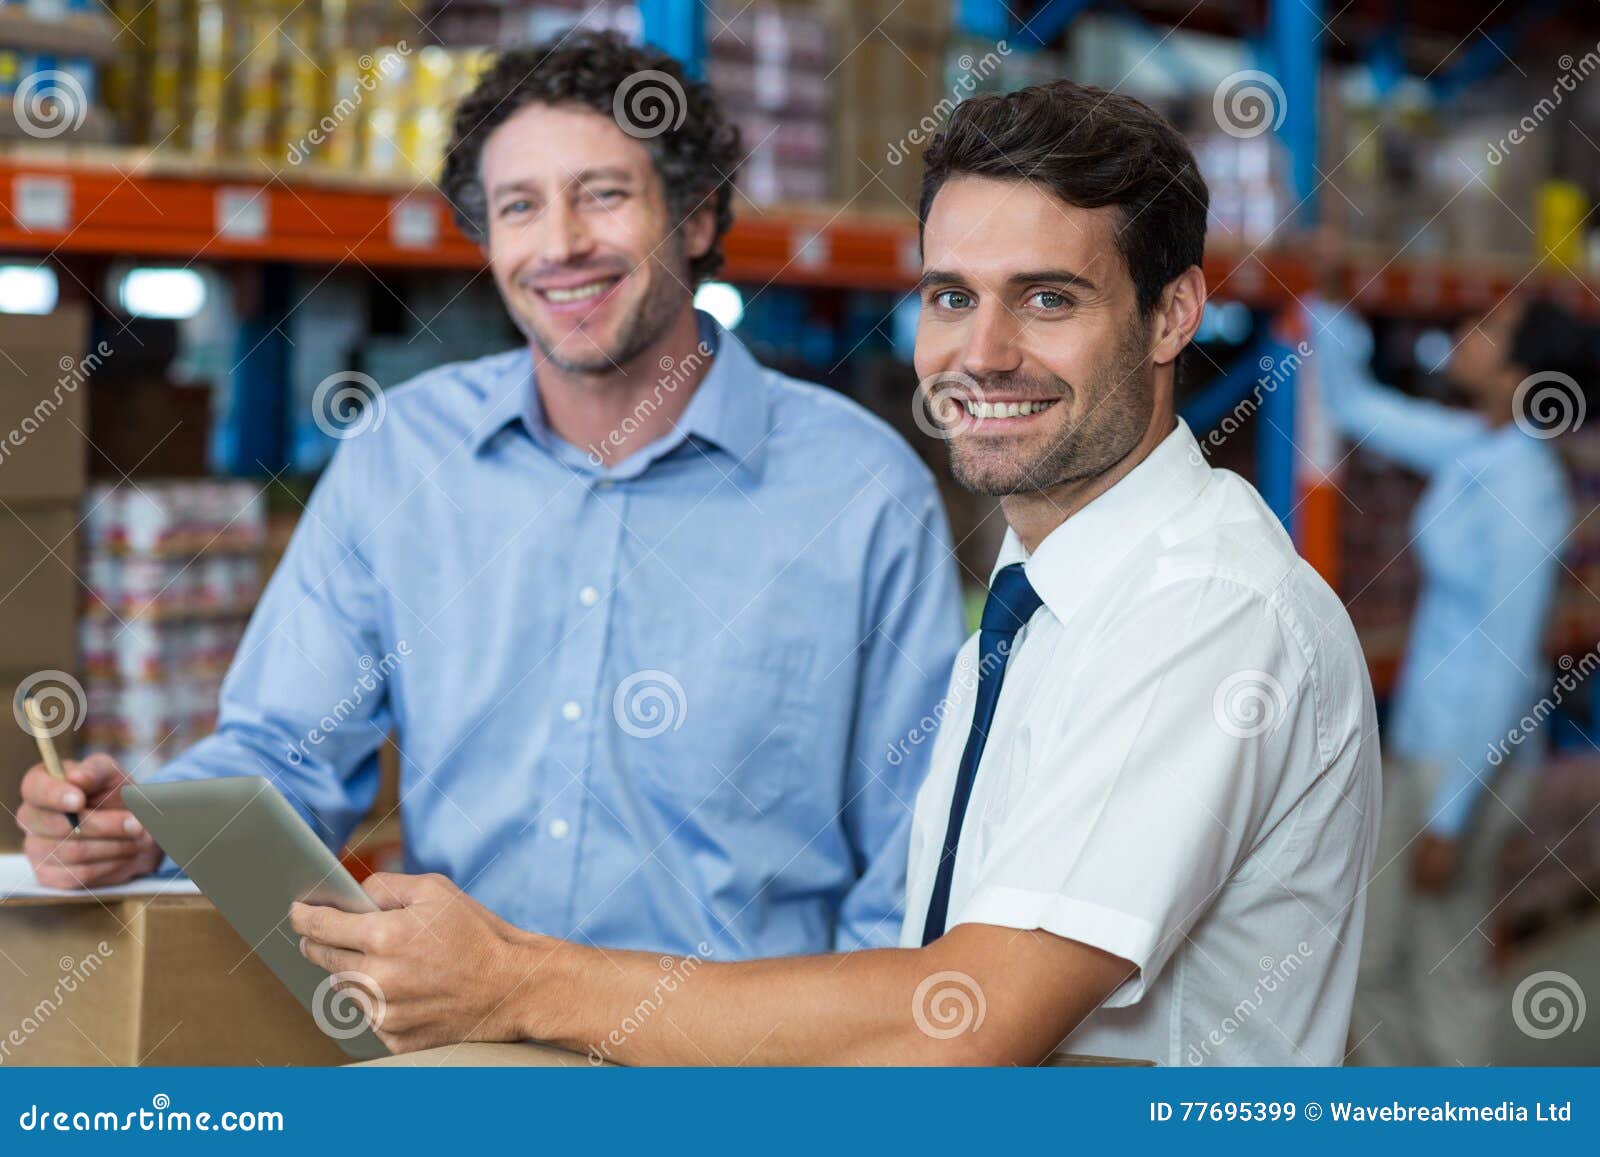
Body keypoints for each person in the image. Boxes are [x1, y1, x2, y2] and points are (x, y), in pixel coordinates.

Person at [290, 78, 1381, 1066]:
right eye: (951, 296)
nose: (983, 352)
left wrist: (519, 980)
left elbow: (967, 1013)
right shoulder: (1044, 596)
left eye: (1048, 298)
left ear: (1172, 313)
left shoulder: (1201, 611)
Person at [15, 32, 966, 961]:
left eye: (603, 196)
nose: (560, 244)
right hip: (460, 1059)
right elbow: (286, 752)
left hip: (733, 1083)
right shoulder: (401, 457)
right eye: (519, 207)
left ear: (700, 217)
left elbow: (906, 867)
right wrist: (145, 830)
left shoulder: (860, 493)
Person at [1307, 293, 1586, 1065]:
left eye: (1491, 330)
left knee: (1437, 963)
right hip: (1433, 748)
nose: (1468, 333)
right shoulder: (1479, 446)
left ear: (1519, 374)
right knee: (1381, 959)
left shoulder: (1524, 486)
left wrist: (1450, 818)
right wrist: (1321, 305)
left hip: (1469, 763)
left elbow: (1505, 662)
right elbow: (1355, 404)